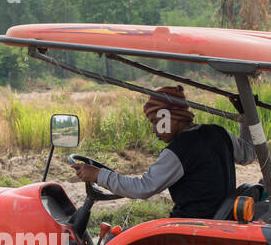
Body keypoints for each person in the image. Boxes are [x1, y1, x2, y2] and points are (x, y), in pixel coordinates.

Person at [71, 85, 256, 219]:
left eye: (154, 121)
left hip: (191, 225)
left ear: (170, 117)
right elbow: (249, 153)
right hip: (219, 220)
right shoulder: (219, 132)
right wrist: (248, 118)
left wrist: (99, 175)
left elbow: (143, 188)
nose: (153, 130)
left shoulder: (179, 151)